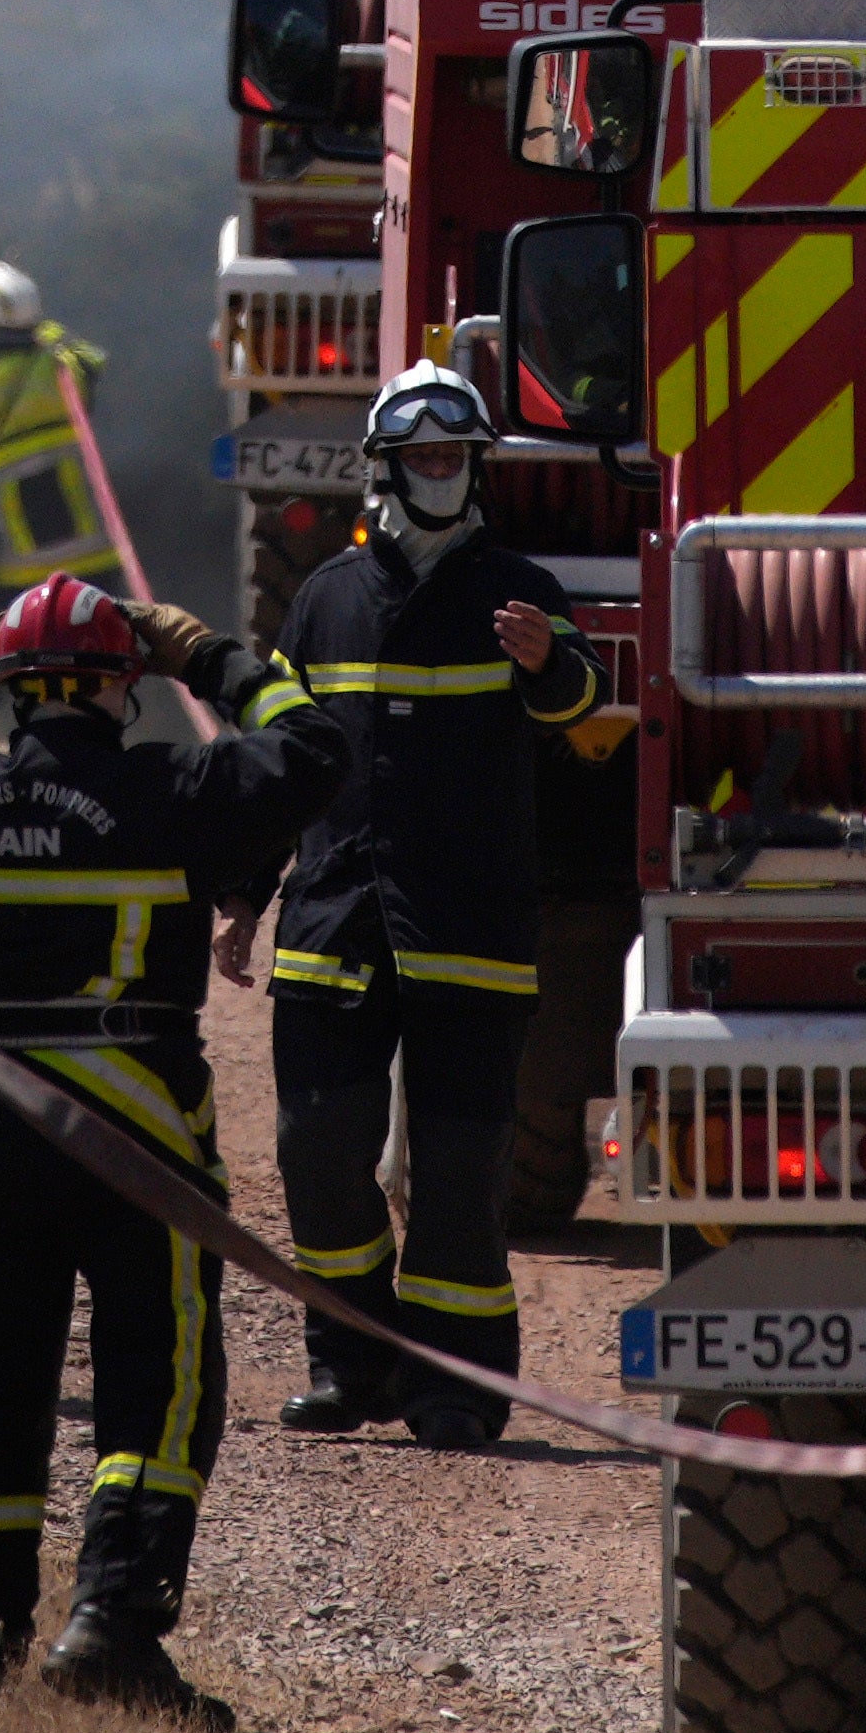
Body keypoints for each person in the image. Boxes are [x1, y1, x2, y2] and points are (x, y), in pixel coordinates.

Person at [0, 568, 323, 1721]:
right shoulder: (178, 790)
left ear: (7, 692)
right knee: (161, 1378)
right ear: (122, 690)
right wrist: (207, 654)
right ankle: (114, 1627)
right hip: (142, 1146)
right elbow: (315, 746)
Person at [250, 362, 608, 1446]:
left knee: (458, 1170)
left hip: (469, 931)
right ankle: (351, 1365)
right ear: (389, 469)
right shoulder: (324, 601)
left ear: (477, 467)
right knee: (317, 1148)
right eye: (423, 458)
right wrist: (237, 893)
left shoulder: (521, 592)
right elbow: (281, 761)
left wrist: (552, 666)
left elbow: (581, 710)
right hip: (335, 926)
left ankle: (454, 1388)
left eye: (457, 457)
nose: (441, 473)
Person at [0, 266, 130, 620]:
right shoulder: (66, 369)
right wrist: (42, 332)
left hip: (19, 574)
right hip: (97, 562)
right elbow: (88, 355)